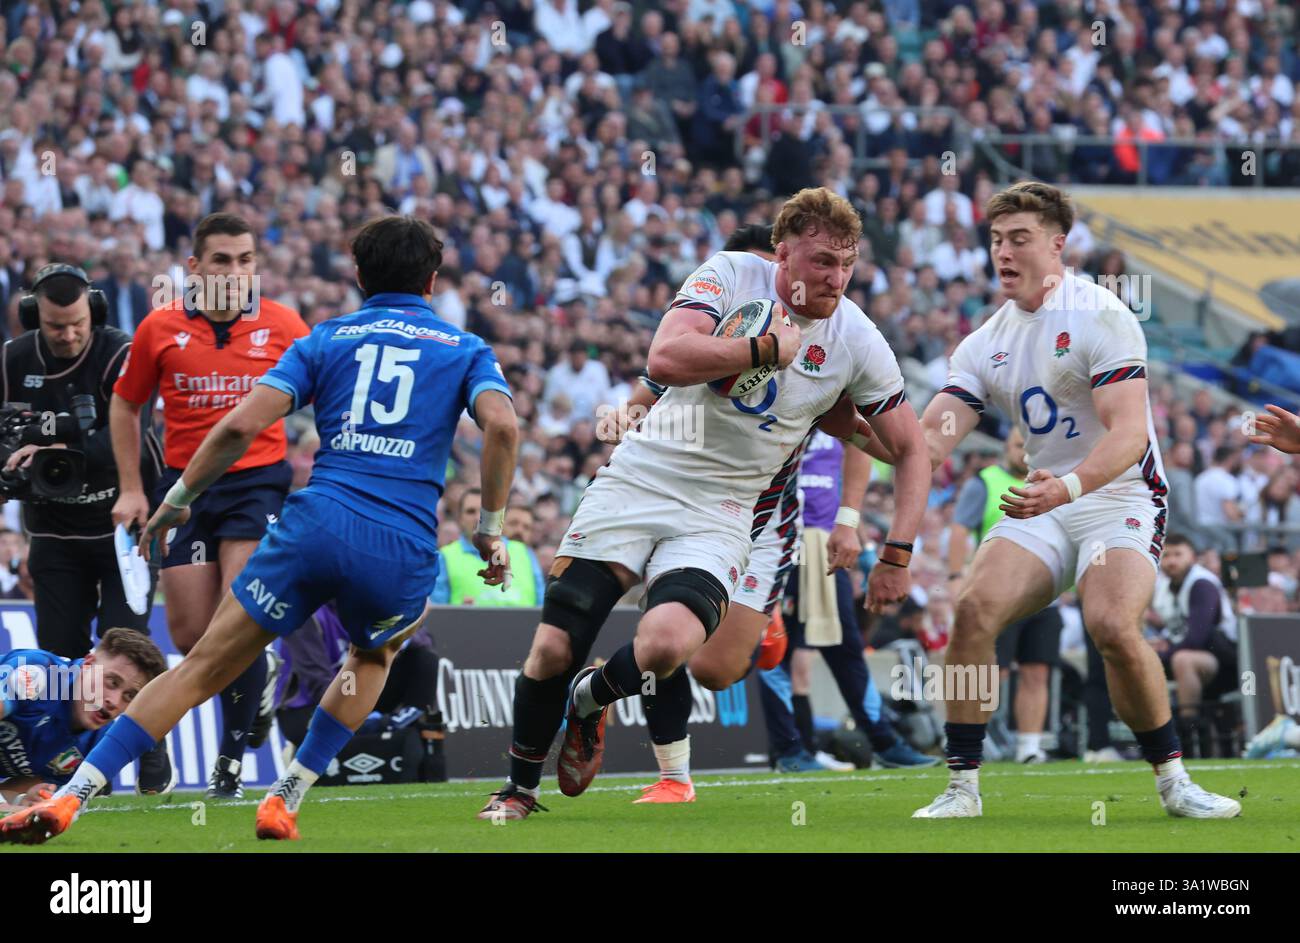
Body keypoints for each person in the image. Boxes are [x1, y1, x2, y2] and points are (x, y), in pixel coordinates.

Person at [0, 214, 518, 845]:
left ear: (357, 275)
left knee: (200, 664)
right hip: (400, 543)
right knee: (372, 656)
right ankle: (286, 796)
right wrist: (490, 530)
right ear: (434, 282)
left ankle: (71, 798)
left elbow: (241, 426)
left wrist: (178, 498)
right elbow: (503, 428)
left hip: (313, 523)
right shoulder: (465, 348)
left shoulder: (323, 338)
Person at [477, 187, 932, 821]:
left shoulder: (856, 338)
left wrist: (897, 550)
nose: (835, 277)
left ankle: (590, 700)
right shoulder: (728, 273)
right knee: (553, 648)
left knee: (667, 646)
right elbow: (664, 356)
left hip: (722, 509)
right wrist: (764, 350)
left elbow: (909, 450)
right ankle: (518, 789)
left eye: (846, 263)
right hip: (641, 480)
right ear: (782, 253)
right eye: (821, 261)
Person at [911, 180, 1239, 819]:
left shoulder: (1100, 312)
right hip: (1047, 499)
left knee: (1112, 626)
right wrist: (872, 437)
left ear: (1057, 245)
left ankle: (1174, 782)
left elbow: (1128, 434)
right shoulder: (984, 343)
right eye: (996, 239)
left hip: (1118, 494)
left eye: (1020, 239)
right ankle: (962, 787)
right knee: (973, 610)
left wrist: (1067, 486)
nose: (1003, 252)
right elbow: (933, 437)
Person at [109, 212, 308, 799]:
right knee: (194, 633)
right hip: (187, 489)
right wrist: (131, 487)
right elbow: (126, 406)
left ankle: (229, 766)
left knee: (236, 617)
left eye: (245, 260)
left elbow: (335, 393)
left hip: (258, 483)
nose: (235, 272)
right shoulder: (158, 329)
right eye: (222, 260)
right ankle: (261, 677)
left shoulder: (285, 325)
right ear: (194, 268)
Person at [0, 263, 171, 792]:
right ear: (34, 317)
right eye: (55, 326)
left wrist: (55, 445)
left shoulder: (120, 351)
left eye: (77, 323)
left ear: (92, 311)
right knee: (61, 652)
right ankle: (41, 776)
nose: (68, 335)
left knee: (128, 642)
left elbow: (129, 435)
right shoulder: (13, 359)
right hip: (52, 530)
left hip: (124, 528)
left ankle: (150, 747)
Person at [947, 427, 1063, 764]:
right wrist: (956, 577)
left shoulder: (1053, 484)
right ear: (1004, 447)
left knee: (1036, 670)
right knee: (991, 672)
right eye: (1018, 446)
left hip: (1043, 594)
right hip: (998, 593)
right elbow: (959, 530)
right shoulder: (984, 481)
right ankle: (976, 742)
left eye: (1031, 448)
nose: (1025, 454)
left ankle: (1028, 746)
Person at [0, 628, 166, 815]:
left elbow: (6, 795)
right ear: (88, 663)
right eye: (112, 682)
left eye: (129, 696)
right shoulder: (39, 674)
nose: (114, 701)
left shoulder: (99, 745)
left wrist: (22, 799)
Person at [1147, 533, 1238, 756]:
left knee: (1182, 660)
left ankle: (1189, 733)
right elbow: (1177, 630)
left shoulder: (1202, 584)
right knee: (1142, 654)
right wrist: (1159, 645)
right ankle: (1152, 733)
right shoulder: (1165, 588)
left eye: (1178, 554)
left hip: (1226, 660)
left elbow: (1196, 637)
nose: (1171, 561)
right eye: (1166, 555)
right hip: (1196, 656)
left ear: (1193, 558)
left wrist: (1164, 653)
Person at [431, 490, 544, 606]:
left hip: (524, 624)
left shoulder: (525, 553)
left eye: (483, 511)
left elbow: (541, 607)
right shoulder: (445, 557)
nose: (478, 517)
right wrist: (458, 612)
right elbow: (437, 611)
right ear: (460, 519)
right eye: (470, 512)